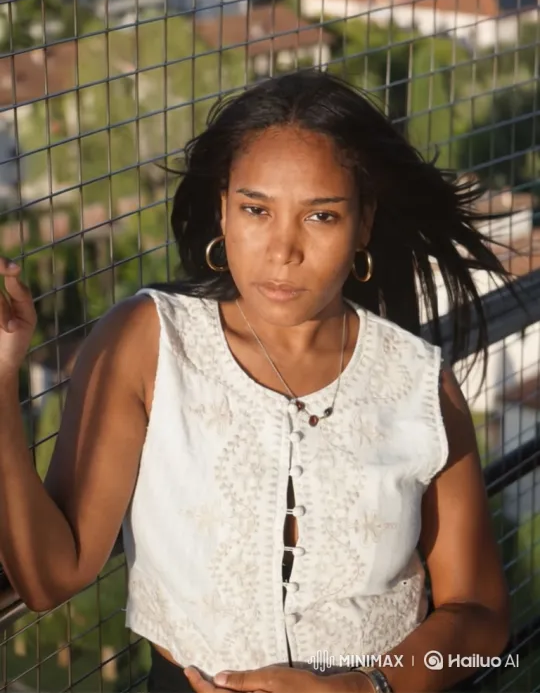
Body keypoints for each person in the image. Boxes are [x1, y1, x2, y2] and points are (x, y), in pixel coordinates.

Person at [0, 69, 520, 693]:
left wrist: (366, 688)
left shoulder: (417, 383)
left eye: (321, 216)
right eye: (256, 209)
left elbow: (484, 631)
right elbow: (47, 578)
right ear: (222, 208)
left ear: (363, 222)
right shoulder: (151, 342)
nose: (282, 250)